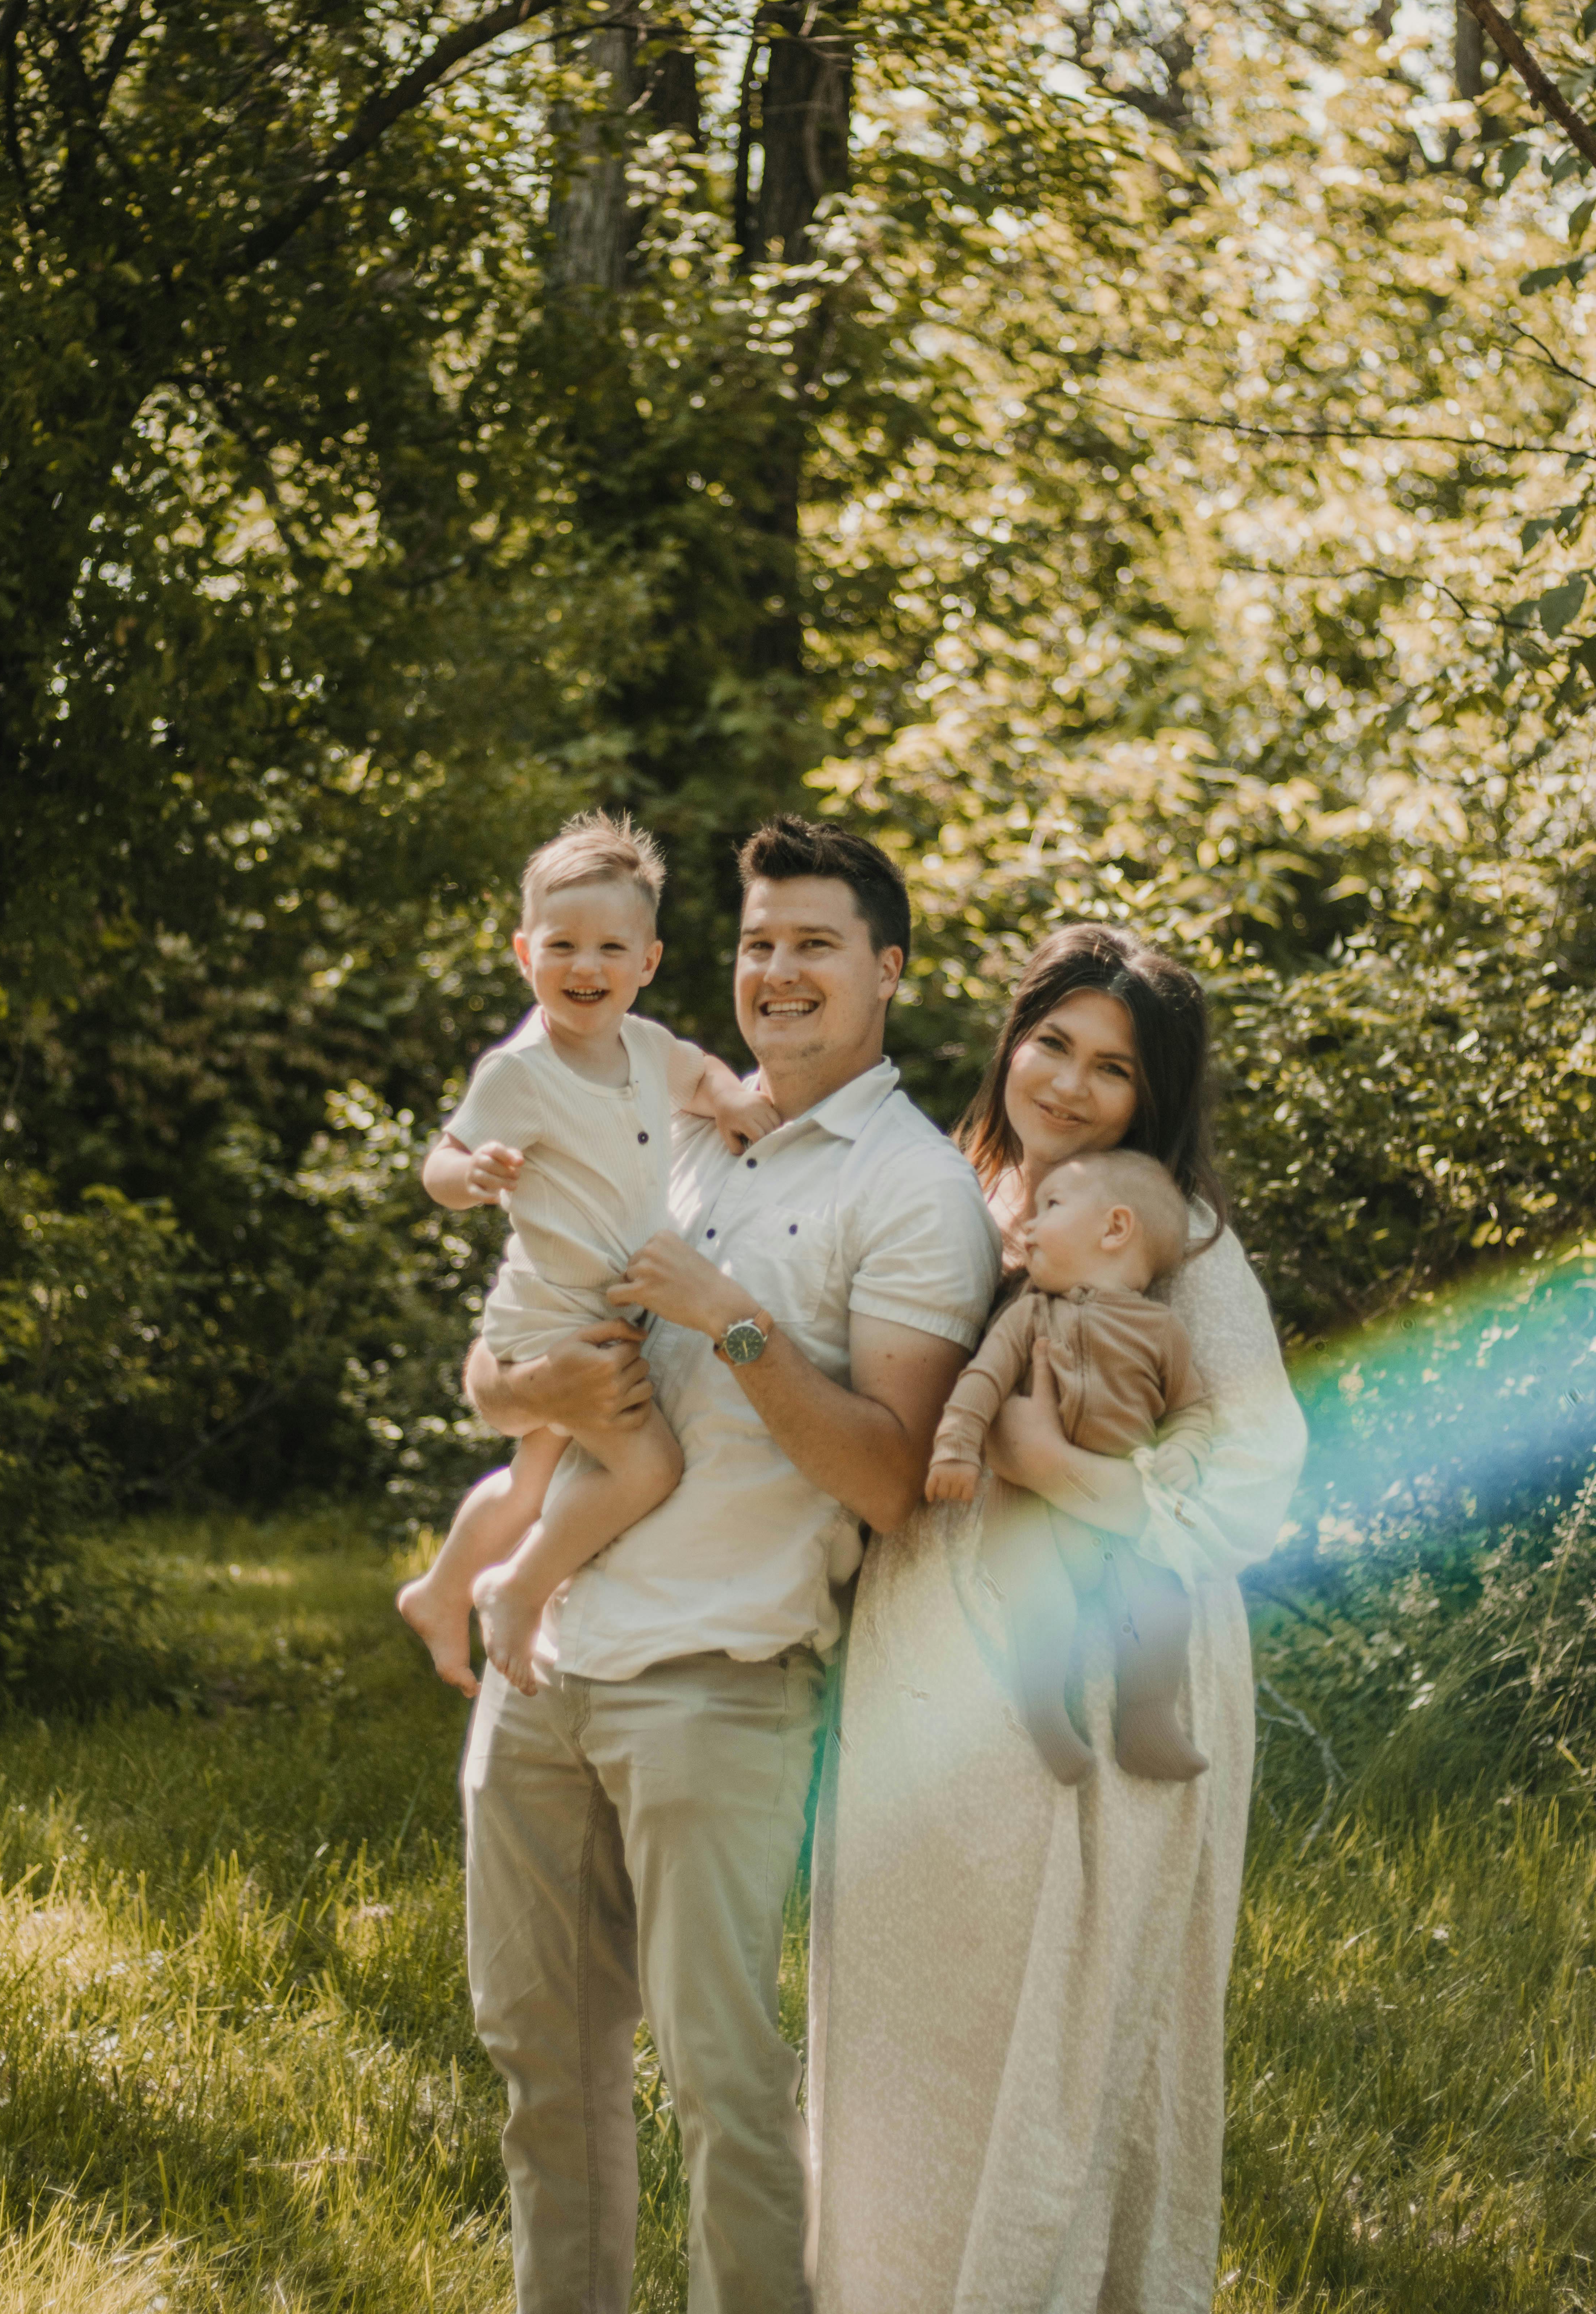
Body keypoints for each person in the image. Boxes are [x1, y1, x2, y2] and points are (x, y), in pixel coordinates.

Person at [459, 815, 1002, 2314]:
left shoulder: (911, 1189)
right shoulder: (667, 1116)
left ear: (889, 969)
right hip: (547, 1659)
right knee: (540, 2068)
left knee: (721, 2083)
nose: (779, 971)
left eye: (816, 943)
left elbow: (895, 1483)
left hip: (717, 1681)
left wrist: (732, 1320)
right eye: (759, 942)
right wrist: (529, 1389)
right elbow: (501, 1364)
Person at [810, 924, 1308, 2314]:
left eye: (1114, 1069)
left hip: (1107, 1652)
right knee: (917, 2017)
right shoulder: (947, 1191)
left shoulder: (1174, 1238)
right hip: (926, 1650)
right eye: (1054, 1044)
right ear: (1010, 1041)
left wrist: (1063, 1473)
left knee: (1061, 2030)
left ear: (1156, 1099)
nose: (1072, 1085)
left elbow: (1257, 1471)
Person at [398, 809, 778, 1696]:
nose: (585, 967)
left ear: (647, 962)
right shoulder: (520, 1074)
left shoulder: (646, 1047)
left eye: (611, 949)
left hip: (597, 1307)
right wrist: (472, 1175)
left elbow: (701, 1074)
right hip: (555, 1314)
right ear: (524, 954)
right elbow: (438, 1165)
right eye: (562, 946)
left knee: (531, 1482)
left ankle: (439, 1589)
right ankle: (518, 1588)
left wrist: (729, 1100)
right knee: (649, 1466)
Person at [926, 1146, 1212, 1785]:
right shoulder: (1029, 1315)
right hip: (1031, 1516)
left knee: (1162, 1604)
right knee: (1044, 1607)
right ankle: (1044, 1712)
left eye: (1050, 1206)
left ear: (1115, 1228)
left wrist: (1185, 1452)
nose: (1028, 1226)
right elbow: (980, 1382)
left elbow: (1193, 1409)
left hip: (1114, 1522)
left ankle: (1147, 1722)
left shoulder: (1162, 1331)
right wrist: (956, 1446)